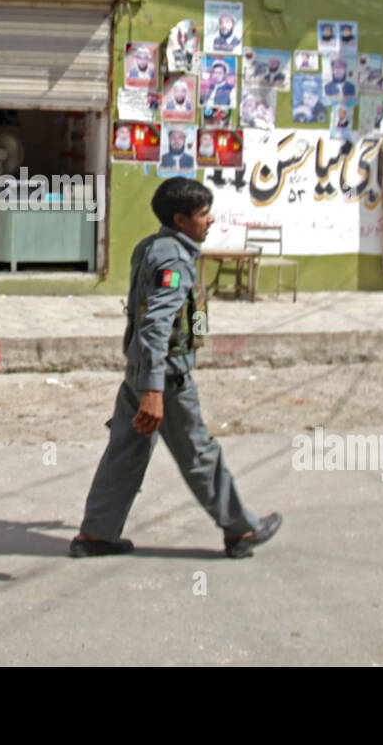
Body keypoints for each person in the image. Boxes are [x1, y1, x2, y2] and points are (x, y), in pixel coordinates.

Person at [70, 178, 281, 559]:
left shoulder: (156, 246)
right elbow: (155, 325)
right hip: (164, 378)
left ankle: (96, 535)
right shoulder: (172, 259)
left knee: (125, 453)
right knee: (199, 454)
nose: (210, 220)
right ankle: (240, 529)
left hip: (142, 373)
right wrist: (153, 391)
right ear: (181, 220)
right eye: (203, 215)